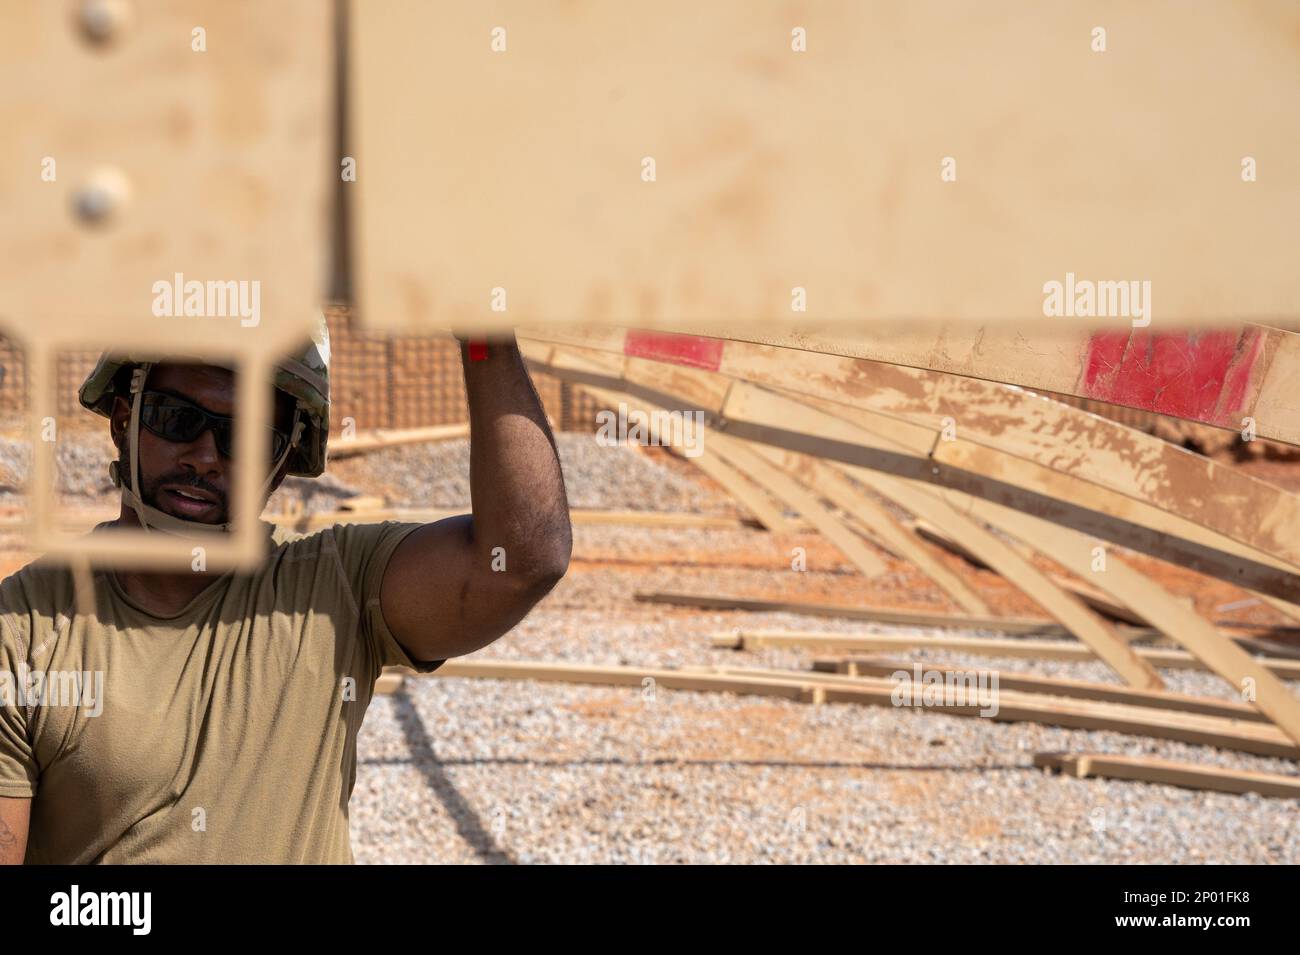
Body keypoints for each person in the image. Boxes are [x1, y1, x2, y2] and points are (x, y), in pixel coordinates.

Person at [0, 317, 571, 863]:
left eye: (243, 436)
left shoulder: (334, 587)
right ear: (124, 418)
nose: (204, 456)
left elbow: (524, 560)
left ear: (281, 462)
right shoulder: (25, 630)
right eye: (176, 418)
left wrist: (485, 342)